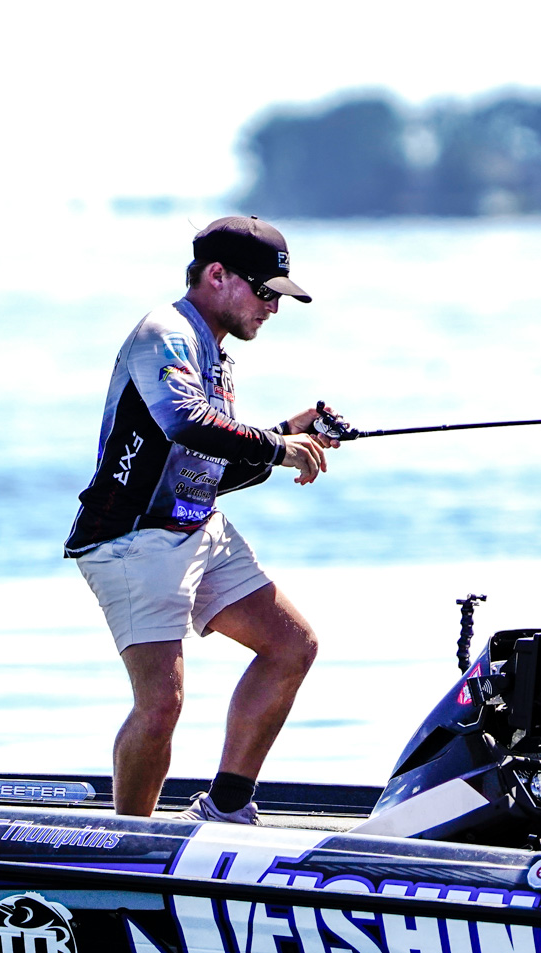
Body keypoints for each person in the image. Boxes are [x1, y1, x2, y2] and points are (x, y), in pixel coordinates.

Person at [64, 215, 341, 824]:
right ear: (217, 276)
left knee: (292, 647)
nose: (274, 308)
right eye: (266, 292)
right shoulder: (164, 333)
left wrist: (289, 436)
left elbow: (211, 467)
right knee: (161, 705)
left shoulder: (216, 353)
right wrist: (274, 446)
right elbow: (185, 422)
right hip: (132, 539)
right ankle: (129, 845)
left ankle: (226, 807)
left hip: (199, 529)